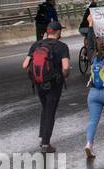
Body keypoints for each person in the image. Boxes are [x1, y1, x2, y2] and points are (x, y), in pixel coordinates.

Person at [23, 19, 71, 153]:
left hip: (38, 83)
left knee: (45, 108)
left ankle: (41, 136)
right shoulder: (62, 46)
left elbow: (25, 65)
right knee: (50, 111)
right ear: (58, 32)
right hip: (54, 85)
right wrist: (64, 75)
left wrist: (35, 76)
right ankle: (45, 144)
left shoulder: (36, 45)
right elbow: (66, 67)